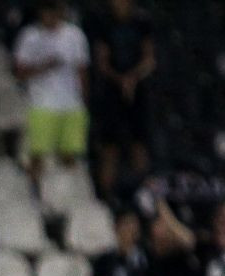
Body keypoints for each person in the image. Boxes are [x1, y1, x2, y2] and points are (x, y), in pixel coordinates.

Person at [11, 1, 90, 183]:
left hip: (71, 104)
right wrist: (44, 66)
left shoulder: (75, 35)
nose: (50, 17)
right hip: (42, 105)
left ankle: (69, 192)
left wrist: (84, 99)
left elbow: (82, 70)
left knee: (70, 155)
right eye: (46, 12)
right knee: (38, 155)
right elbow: (19, 73)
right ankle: (33, 191)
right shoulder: (29, 36)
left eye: (54, 12)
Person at [90, 0, 154, 191]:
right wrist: (120, 80)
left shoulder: (142, 21)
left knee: (139, 145)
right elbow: (102, 61)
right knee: (109, 147)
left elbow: (149, 59)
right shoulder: (104, 22)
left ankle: (144, 194)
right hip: (111, 91)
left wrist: (132, 78)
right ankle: (106, 196)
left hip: (138, 90)